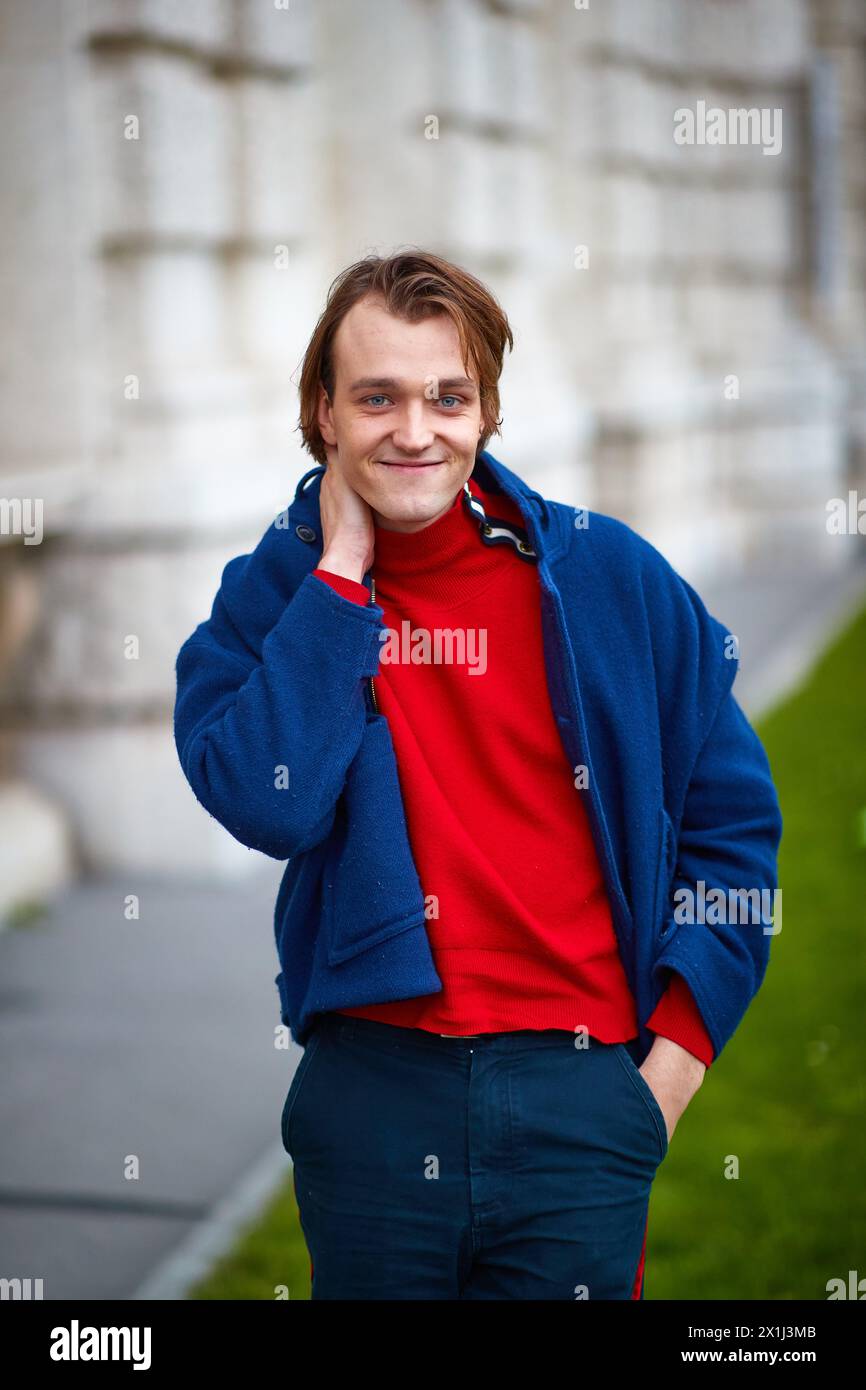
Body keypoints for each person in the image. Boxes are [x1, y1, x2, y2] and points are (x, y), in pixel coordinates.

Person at [173, 249, 782, 1300]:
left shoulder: (605, 575)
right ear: (324, 411)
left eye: (446, 397)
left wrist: (665, 1075)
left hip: (580, 1091)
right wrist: (337, 580)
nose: (414, 431)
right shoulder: (275, 589)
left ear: (485, 408)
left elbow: (733, 828)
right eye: (377, 397)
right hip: (372, 1093)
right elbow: (265, 799)